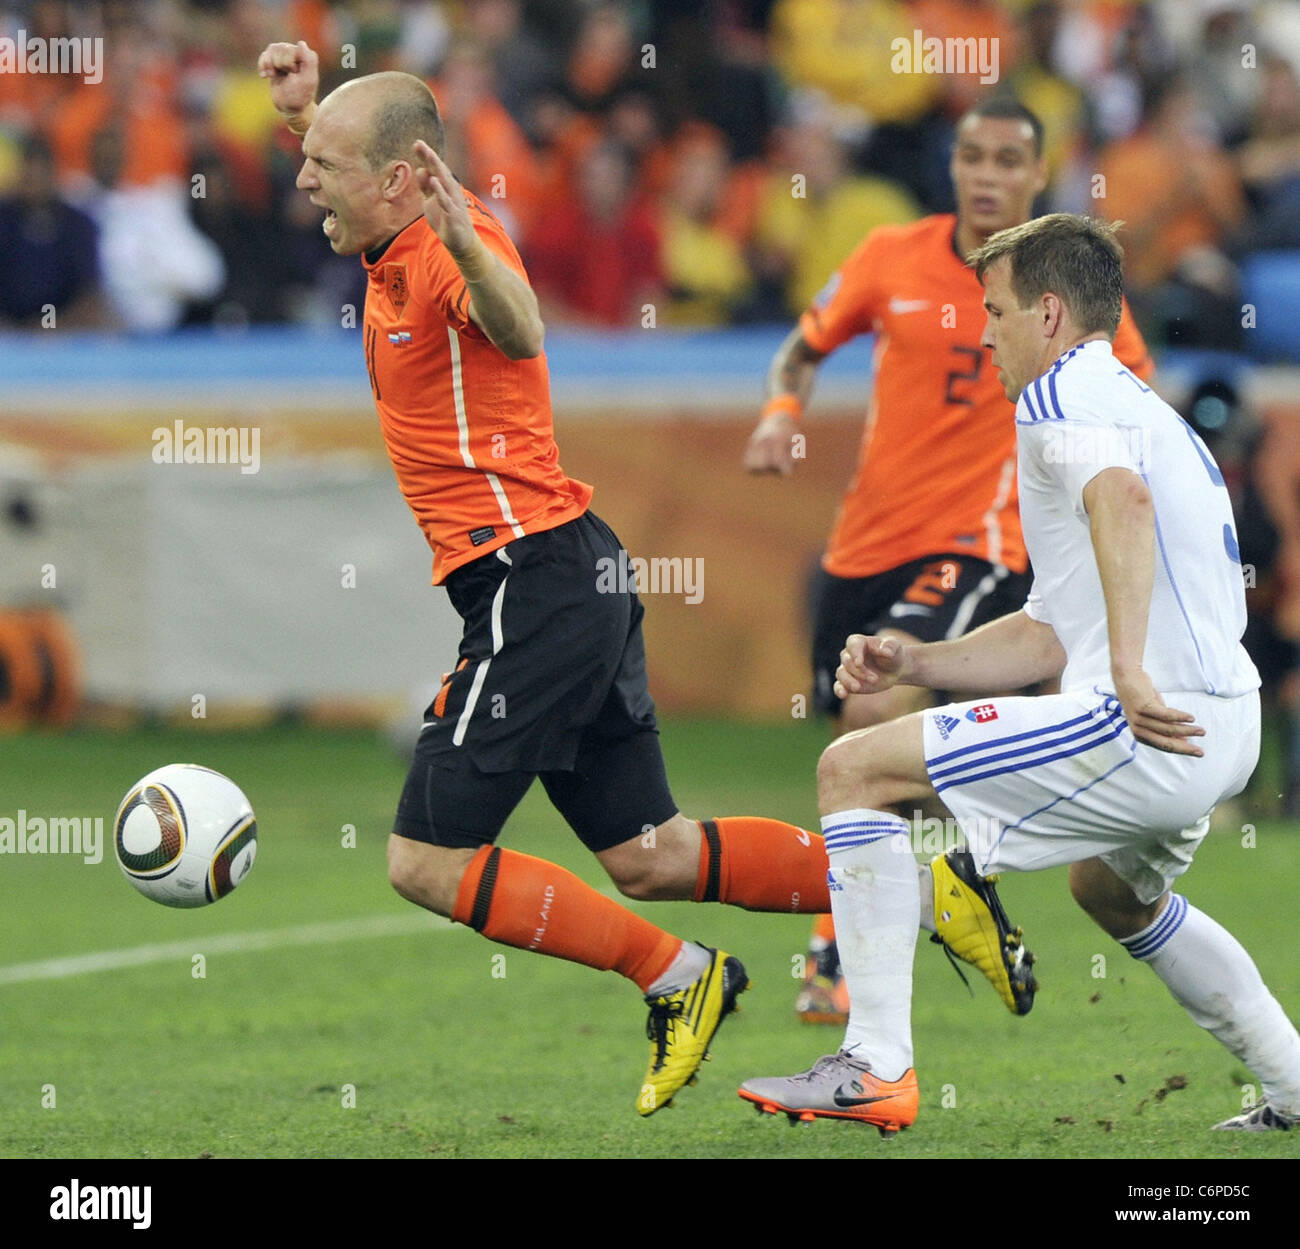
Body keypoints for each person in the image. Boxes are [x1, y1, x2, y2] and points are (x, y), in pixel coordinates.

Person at [256, 38, 866, 1118]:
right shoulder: (392, 222)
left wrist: (466, 244)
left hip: (529, 581)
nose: (303, 179)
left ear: (403, 183)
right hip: (569, 567)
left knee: (425, 861)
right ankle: (899, 877)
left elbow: (521, 325)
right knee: (651, 853)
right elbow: (360, 159)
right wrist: (307, 116)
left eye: (321, 165)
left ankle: (680, 979)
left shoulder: (452, 242)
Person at [738, 213, 1300, 1135]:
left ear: (1048, 313)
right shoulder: (1143, 409)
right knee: (1111, 891)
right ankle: (1291, 1081)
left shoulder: (1057, 397)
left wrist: (1122, 670)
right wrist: (917, 658)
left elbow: (1120, 501)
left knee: (853, 769)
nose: (981, 331)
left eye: (992, 310)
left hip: (1149, 721)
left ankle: (875, 1062)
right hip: (1221, 724)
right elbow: (1049, 630)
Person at [745, 98, 1153, 1025]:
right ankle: (960, 877)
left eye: (1008, 158)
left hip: (981, 547)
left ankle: (847, 958)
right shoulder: (891, 255)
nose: (986, 174)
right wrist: (780, 414)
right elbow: (801, 350)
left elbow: (1131, 417)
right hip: (863, 548)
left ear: (1035, 175)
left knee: (877, 704)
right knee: (858, 753)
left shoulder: (1067, 297)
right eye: (971, 155)